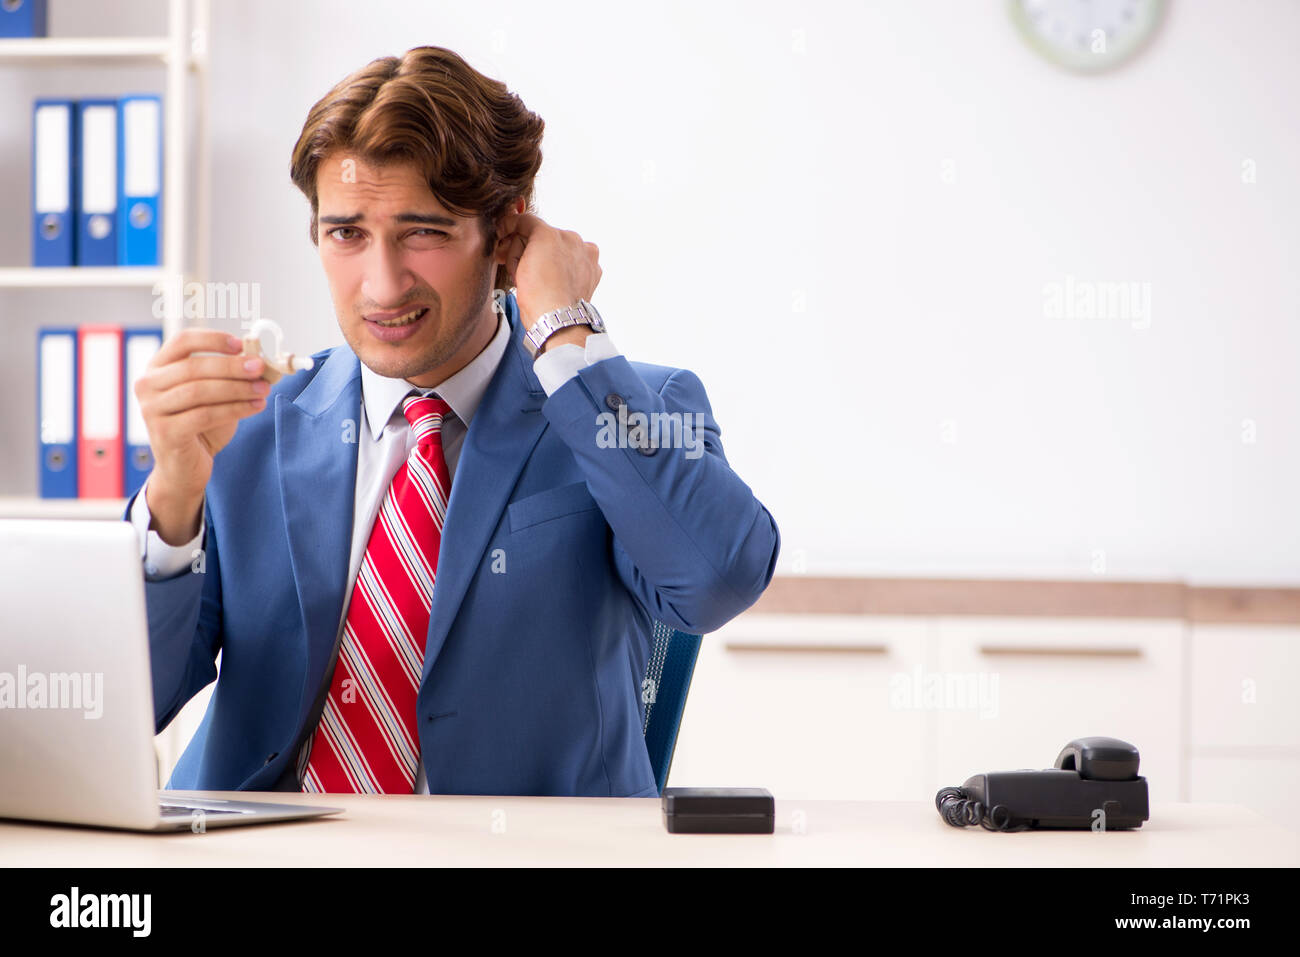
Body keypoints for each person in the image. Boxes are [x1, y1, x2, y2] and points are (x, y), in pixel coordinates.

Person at [125, 45, 780, 796]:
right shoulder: (249, 424)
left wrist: (567, 339)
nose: (381, 283)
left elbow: (717, 580)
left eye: (423, 232)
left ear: (506, 237)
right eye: (346, 234)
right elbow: (131, 701)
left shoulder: (622, 408)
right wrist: (174, 492)